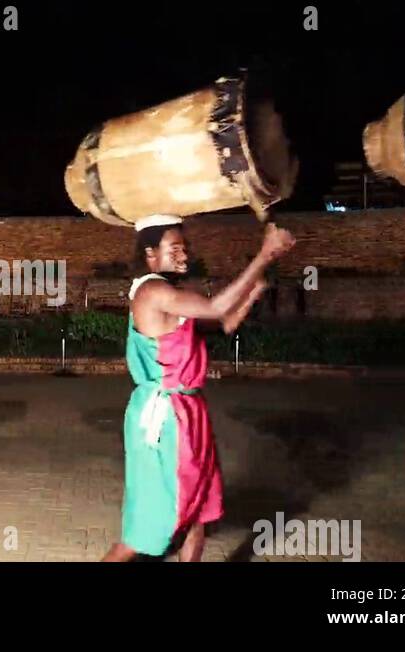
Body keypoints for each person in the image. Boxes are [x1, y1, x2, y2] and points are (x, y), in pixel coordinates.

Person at [102, 215, 295, 562]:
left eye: (184, 248)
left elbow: (223, 322)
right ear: (150, 254)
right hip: (162, 420)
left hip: (189, 413)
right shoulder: (152, 291)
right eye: (174, 248)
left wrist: (253, 293)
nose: (184, 255)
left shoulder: (172, 295)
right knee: (147, 527)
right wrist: (264, 255)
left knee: (199, 511)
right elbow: (217, 306)